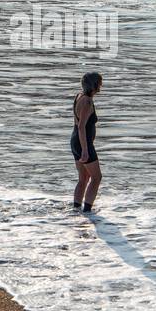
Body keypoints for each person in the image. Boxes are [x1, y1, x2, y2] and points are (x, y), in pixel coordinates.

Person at [70, 71, 103, 213]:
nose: (101, 85)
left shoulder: (79, 96)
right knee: (96, 177)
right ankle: (88, 211)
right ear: (94, 85)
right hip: (83, 143)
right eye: (100, 83)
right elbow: (82, 126)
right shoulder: (87, 102)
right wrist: (85, 149)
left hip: (75, 140)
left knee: (83, 177)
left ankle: (76, 209)